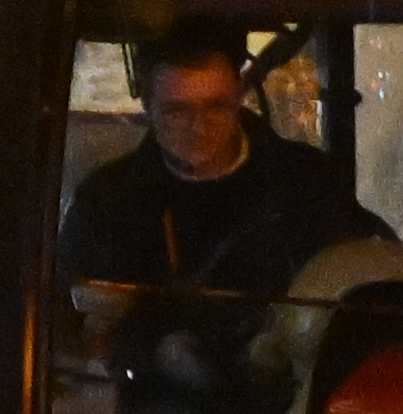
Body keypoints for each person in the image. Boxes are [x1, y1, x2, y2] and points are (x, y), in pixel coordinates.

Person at [55, 21, 382, 300]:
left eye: (215, 107)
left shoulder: (308, 186)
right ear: (147, 105)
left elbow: (376, 279)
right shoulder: (107, 205)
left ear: (239, 96)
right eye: (177, 111)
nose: (199, 128)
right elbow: (63, 311)